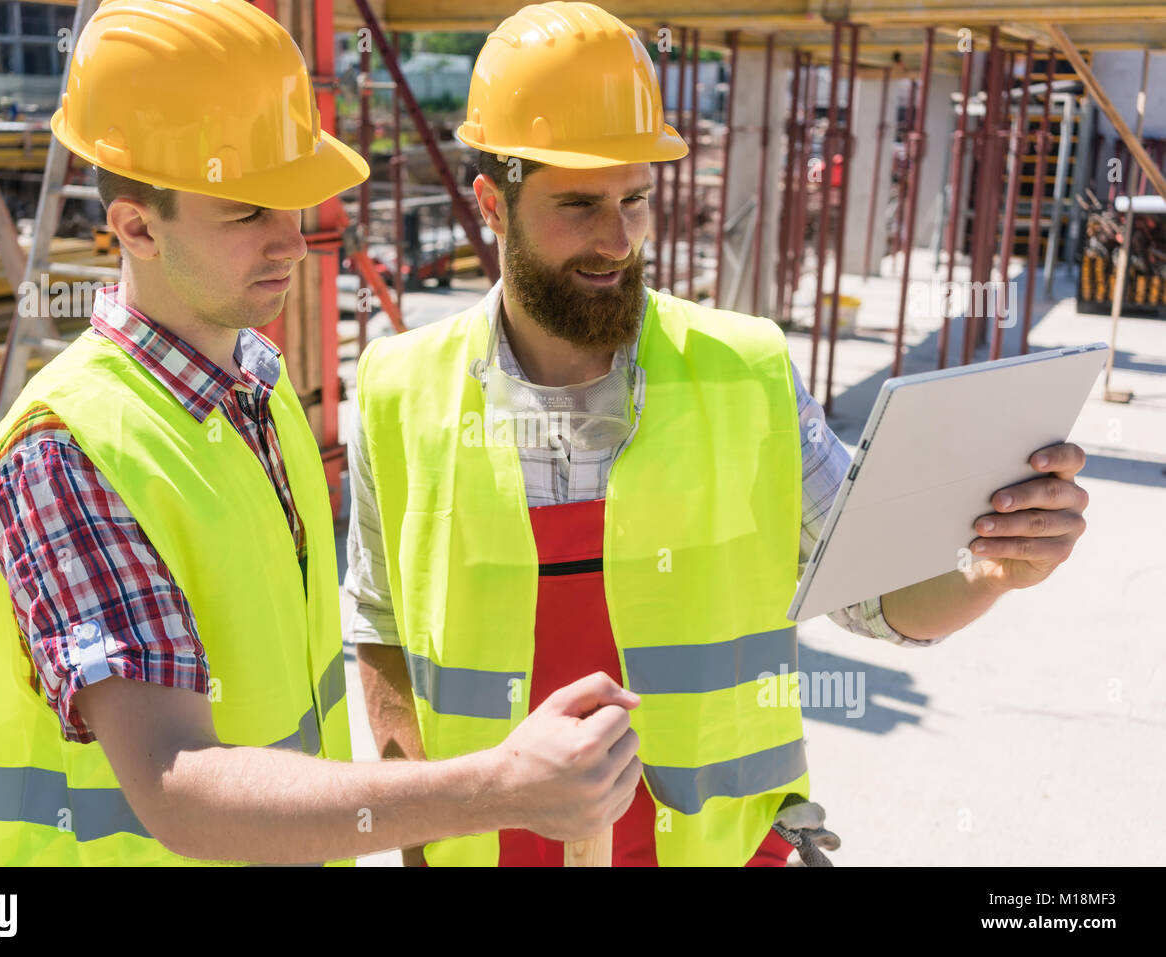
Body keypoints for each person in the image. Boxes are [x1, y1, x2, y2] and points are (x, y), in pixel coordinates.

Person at [346, 1, 1091, 866]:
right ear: (491, 203)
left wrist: (990, 573)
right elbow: (379, 623)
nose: (616, 240)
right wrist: (414, 829)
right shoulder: (398, 389)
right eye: (579, 203)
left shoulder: (747, 371)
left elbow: (872, 595)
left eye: (635, 199)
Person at [0, 0, 642, 867]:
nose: (292, 238)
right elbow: (179, 783)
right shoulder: (63, 452)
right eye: (246, 213)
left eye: (293, 201)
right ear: (135, 225)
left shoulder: (259, 384)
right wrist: (503, 784)